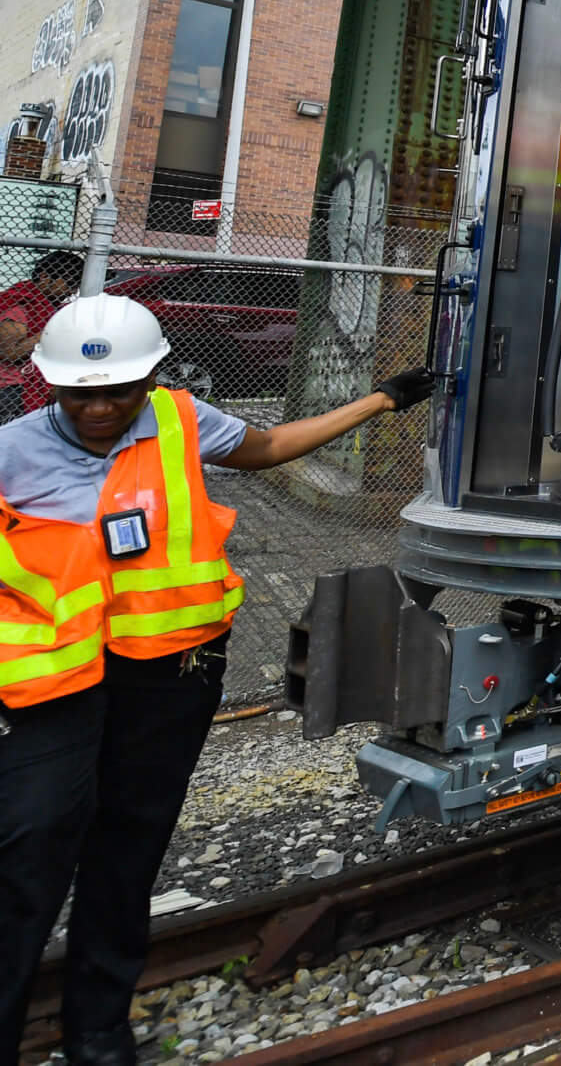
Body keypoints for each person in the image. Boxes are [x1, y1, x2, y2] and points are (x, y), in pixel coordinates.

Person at [0, 292, 434, 1066]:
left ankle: (98, 1025)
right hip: (55, 685)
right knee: (30, 848)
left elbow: (266, 447)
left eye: (118, 390)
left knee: (130, 846)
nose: (99, 407)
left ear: (151, 377)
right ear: (49, 384)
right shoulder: (13, 449)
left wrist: (380, 400)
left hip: (170, 675)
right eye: (79, 392)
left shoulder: (179, 419)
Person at [0, 250, 81, 421]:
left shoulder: (51, 309)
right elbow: (10, 353)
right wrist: (53, 330)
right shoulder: (20, 306)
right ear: (45, 277)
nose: (72, 291)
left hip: (37, 386)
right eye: (70, 283)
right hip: (12, 389)